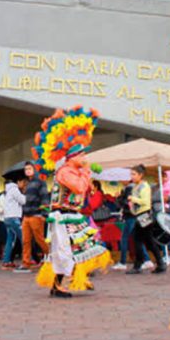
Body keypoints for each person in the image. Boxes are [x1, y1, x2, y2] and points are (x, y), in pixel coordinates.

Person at [33, 106, 112, 297]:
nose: (85, 158)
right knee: (64, 251)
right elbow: (78, 187)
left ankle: (76, 278)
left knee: (83, 248)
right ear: (73, 157)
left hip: (73, 217)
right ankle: (59, 284)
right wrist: (86, 173)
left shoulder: (75, 171)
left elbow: (83, 192)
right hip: (62, 218)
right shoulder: (65, 172)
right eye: (82, 155)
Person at [125, 165, 166, 275]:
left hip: (144, 215)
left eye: (134, 174)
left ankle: (139, 264)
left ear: (140, 175)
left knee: (137, 239)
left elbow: (145, 201)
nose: (132, 176)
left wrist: (132, 198)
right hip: (141, 215)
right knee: (148, 240)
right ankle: (160, 263)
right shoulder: (137, 186)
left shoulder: (144, 187)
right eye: (131, 174)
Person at [15, 162, 49, 272]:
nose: (27, 171)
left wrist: (44, 213)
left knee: (39, 239)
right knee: (26, 240)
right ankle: (26, 263)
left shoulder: (40, 182)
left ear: (35, 169)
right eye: (26, 169)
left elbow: (44, 197)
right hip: (27, 215)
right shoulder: (28, 183)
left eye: (30, 168)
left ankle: (51, 257)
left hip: (36, 214)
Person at [1, 177, 26, 270]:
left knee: (10, 240)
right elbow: (23, 201)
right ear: (18, 181)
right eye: (23, 182)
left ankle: (6, 261)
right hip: (14, 217)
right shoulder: (14, 190)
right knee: (24, 238)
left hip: (8, 217)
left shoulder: (8, 190)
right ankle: (27, 260)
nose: (24, 184)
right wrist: (25, 193)